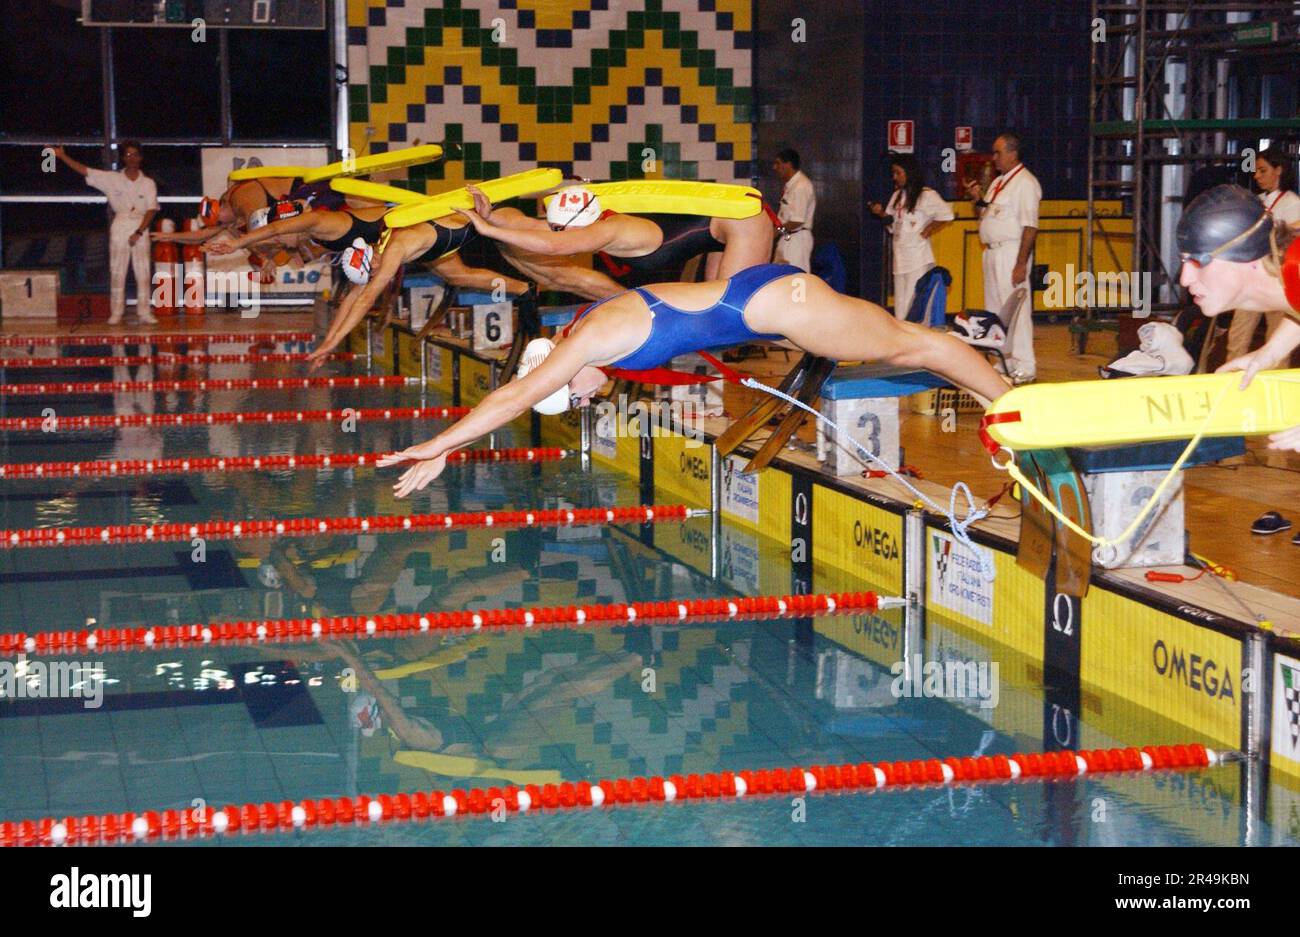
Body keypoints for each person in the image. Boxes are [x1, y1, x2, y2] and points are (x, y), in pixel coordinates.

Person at [378, 263, 1011, 495]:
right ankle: (1002, 401)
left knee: (910, 348)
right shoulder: (594, 328)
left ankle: (1010, 401)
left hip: (776, 307)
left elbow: (514, 394)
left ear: (565, 380)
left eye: (571, 397)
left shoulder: (592, 342)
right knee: (905, 348)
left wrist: (441, 445)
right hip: (764, 306)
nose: (584, 400)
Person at [1176, 183, 1300, 542]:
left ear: (1244, 255)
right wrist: (1269, 353)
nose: (1186, 279)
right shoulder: (1287, 270)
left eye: (1198, 260)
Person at [305, 215, 528, 368]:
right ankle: (525, 290)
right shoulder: (376, 251)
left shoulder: (392, 250)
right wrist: (327, 342)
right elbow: (353, 297)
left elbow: (365, 299)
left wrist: (334, 343)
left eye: (371, 274)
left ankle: (527, 286)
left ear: (370, 263)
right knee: (458, 276)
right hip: (440, 244)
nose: (375, 277)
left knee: (530, 237)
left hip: (465, 225)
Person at [452, 183, 776, 286]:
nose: (562, 234)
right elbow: (531, 225)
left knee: (733, 313)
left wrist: (485, 229)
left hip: (746, 220)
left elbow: (551, 244)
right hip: (715, 229)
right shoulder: (587, 221)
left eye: (565, 230)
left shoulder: (611, 229)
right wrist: (491, 214)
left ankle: (811, 340)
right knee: (715, 309)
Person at [963, 132, 1042, 382]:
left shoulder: (1026, 183)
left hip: (1011, 251)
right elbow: (984, 213)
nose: (994, 158)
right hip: (992, 251)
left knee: (1015, 310)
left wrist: (1020, 264)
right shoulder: (999, 183)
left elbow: (1030, 226)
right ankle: (1003, 361)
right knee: (995, 310)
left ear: (1012, 153)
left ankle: (1025, 365)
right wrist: (977, 197)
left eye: (998, 152)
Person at [52, 143, 159, 325]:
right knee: (117, 270)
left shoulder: (148, 183)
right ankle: (116, 312)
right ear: (123, 158)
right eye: (128, 154)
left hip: (141, 224)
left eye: (135, 154)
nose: (132, 158)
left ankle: (144, 312)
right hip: (121, 222)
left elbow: (151, 210)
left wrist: (139, 231)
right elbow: (85, 171)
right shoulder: (112, 179)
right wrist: (62, 156)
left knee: (143, 272)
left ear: (140, 157)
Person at [1225, 146, 1300, 363]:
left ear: (1279, 170)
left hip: (1279, 279)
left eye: (1263, 170)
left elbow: (1289, 243)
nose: (1256, 175)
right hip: (1250, 277)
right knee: (1237, 338)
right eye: (1256, 171)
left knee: (1277, 343)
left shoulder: (1293, 203)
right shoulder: (1256, 202)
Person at [870, 154, 954, 319]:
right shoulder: (897, 197)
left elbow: (947, 214)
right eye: (893, 173)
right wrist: (880, 213)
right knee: (901, 307)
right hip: (900, 259)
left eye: (898, 173)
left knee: (914, 304)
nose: (895, 177)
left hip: (917, 259)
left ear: (909, 173)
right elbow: (893, 226)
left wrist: (929, 228)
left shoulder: (926, 195)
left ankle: (915, 339)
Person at [773, 148, 816, 272]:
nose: (774, 167)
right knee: (781, 275)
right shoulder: (791, 185)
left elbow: (797, 220)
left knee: (795, 277)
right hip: (788, 237)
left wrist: (775, 232)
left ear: (788, 165)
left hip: (797, 240)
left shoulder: (801, 186)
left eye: (778, 163)